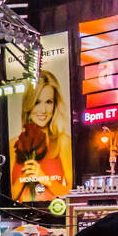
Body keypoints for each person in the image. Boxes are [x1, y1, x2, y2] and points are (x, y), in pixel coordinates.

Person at [11, 70, 72, 202]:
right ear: (29, 104)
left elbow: (71, 194)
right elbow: (11, 196)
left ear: (55, 104)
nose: (43, 110)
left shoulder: (63, 142)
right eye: (37, 102)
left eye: (48, 102)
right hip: (20, 217)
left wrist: (44, 178)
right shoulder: (14, 144)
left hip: (55, 216)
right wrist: (25, 176)